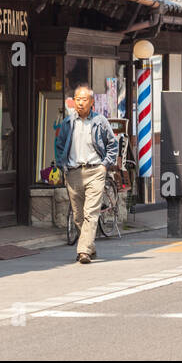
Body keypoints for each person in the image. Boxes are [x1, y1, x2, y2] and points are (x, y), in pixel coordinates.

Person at [55, 84, 118, 264]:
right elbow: (59, 145)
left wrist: (105, 165)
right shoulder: (68, 122)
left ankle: (83, 251)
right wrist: (63, 165)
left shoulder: (100, 121)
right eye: (77, 99)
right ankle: (89, 246)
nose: (80, 103)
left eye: (84, 100)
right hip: (74, 172)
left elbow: (113, 144)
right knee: (78, 215)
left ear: (91, 102)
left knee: (91, 212)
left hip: (95, 170)